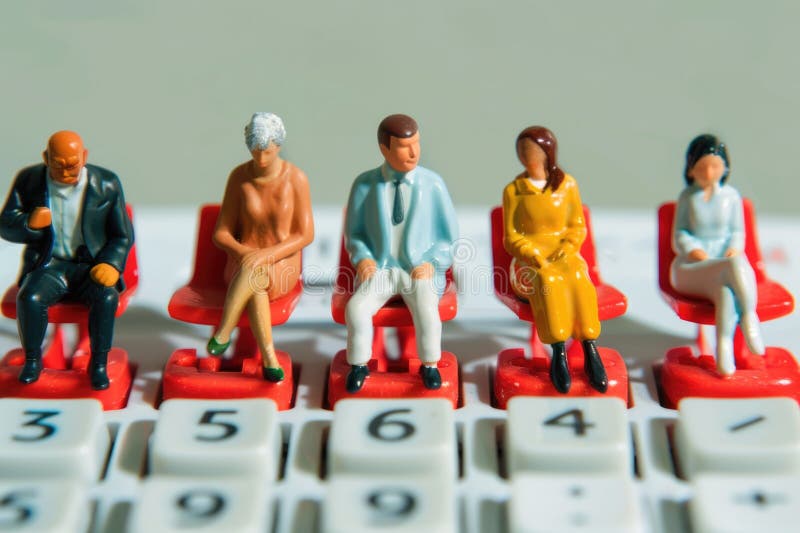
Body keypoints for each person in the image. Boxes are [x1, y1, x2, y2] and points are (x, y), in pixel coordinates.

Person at [0, 130, 134, 390]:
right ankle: (33, 360)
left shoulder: (106, 183)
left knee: (106, 298)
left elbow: (122, 235)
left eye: (72, 164)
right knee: (29, 298)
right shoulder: (30, 180)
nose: (65, 171)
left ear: (84, 156)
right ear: (46, 158)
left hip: (91, 265)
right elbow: (5, 224)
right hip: (50, 265)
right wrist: (28, 223)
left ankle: (98, 364)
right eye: (58, 164)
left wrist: (111, 264)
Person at [343, 114, 458, 393]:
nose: (414, 152)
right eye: (405, 146)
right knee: (356, 309)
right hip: (381, 268)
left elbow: (449, 237)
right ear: (385, 149)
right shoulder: (365, 185)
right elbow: (354, 233)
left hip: (417, 269)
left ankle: (429, 365)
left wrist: (433, 263)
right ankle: (359, 365)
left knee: (427, 310)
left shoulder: (433, 184)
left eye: (416, 143)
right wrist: (364, 258)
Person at [206, 112, 314, 382]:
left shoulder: (296, 178)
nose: (261, 158)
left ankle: (222, 333)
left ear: (278, 145)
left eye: (266, 150)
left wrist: (266, 255)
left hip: (282, 262)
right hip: (242, 262)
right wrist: (246, 253)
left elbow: (305, 234)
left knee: (256, 277)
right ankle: (269, 358)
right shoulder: (239, 178)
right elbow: (221, 233)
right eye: (255, 150)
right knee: (255, 280)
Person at [502, 126, 607, 393]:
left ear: (548, 153)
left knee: (578, 277)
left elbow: (577, 225)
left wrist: (569, 244)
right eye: (523, 152)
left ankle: (589, 345)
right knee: (548, 282)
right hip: (529, 259)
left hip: (564, 252)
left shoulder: (567, 184)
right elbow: (511, 237)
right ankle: (558, 349)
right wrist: (529, 251)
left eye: (533, 152)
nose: (528, 157)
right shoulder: (515, 190)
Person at [670, 134, 764, 376]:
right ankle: (749, 315)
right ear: (691, 170)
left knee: (725, 292)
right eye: (702, 167)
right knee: (733, 267)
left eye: (715, 166)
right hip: (692, 268)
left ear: (725, 168)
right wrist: (692, 249)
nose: (709, 172)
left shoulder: (731, 197)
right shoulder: (687, 197)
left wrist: (734, 246)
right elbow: (679, 233)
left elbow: (737, 232)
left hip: (724, 268)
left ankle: (723, 351)